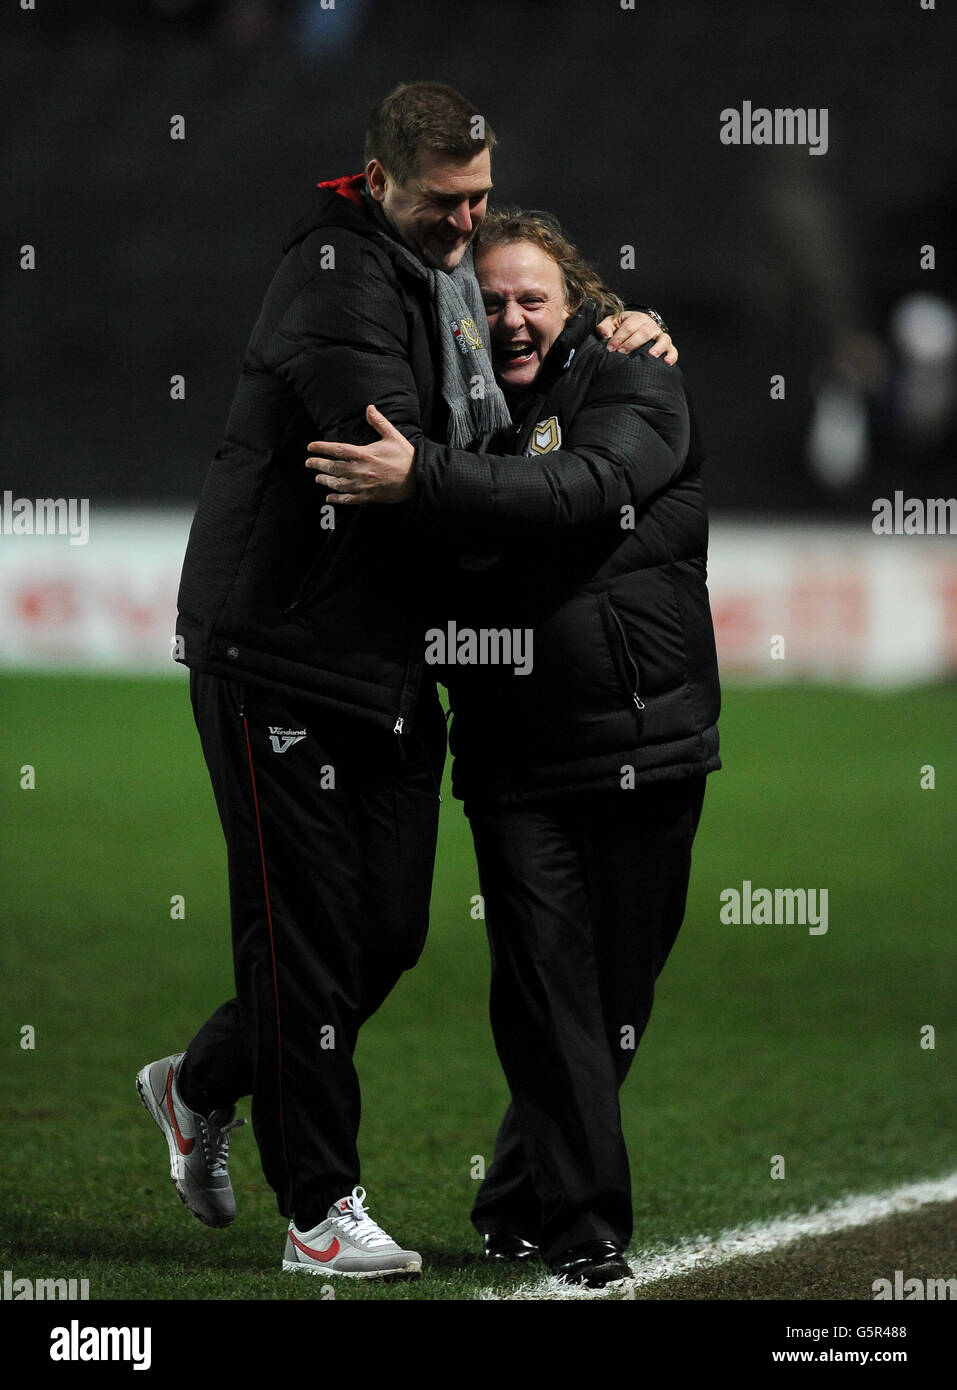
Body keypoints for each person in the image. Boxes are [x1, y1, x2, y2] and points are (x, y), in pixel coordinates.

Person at [137, 84, 675, 1280]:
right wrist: (489, 498)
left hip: (378, 663)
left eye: (481, 199)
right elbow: (394, 466)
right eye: (445, 203)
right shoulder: (339, 277)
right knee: (305, 942)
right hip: (279, 656)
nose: (466, 222)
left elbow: (449, 460)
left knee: (384, 932)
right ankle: (319, 1209)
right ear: (379, 180)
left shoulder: (441, 282)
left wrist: (613, 328)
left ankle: (200, 1081)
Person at [306, 208, 720, 1287]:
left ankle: (515, 1198)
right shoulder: (455, 412)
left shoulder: (639, 379)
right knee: (546, 990)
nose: (512, 318)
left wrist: (428, 484)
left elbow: (580, 488)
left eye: (532, 296)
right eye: (487, 304)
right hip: (513, 760)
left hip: (648, 742)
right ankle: (587, 1233)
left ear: (576, 300)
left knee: (617, 1001)